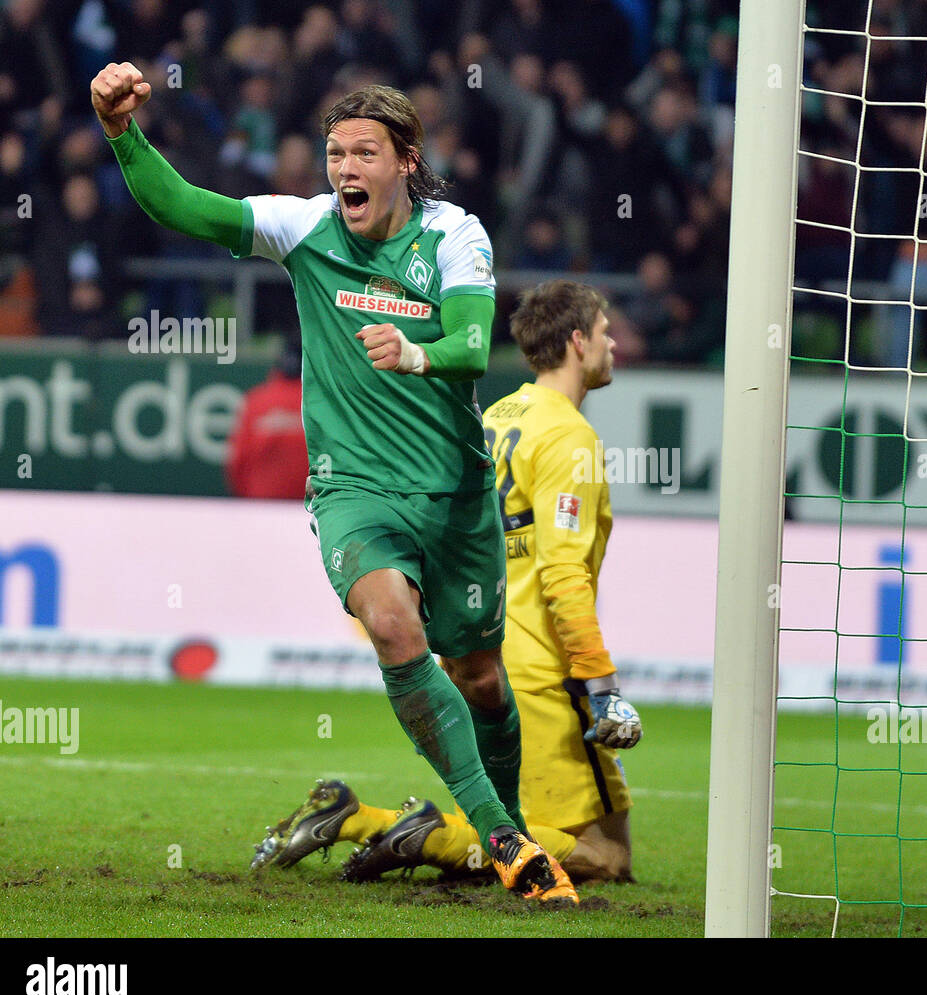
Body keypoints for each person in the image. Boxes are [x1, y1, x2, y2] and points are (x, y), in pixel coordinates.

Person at [90, 61, 575, 903]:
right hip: (352, 487)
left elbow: (472, 341)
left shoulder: (455, 237)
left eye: (365, 152)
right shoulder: (303, 227)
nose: (346, 169)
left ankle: (510, 823)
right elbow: (186, 208)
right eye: (336, 153)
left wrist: (414, 350)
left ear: (406, 160)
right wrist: (121, 133)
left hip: (456, 493)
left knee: (483, 679)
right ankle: (504, 840)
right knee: (391, 624)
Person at [251, 281, 642, 885]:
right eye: (603, 329)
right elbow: (565, 574)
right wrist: (602, 685)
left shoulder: (495, 416)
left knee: (578, 834)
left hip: (480, 649)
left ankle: (377, 823)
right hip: (542, 673)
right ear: (575, 341)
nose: (612, 341)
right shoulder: (570, 438)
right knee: (605, 857)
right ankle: (388, 825)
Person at [224, 344, 308, 499]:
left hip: (260, 506)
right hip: (312, 509)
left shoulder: (256, 400)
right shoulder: (320, 403)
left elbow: (237, 462)